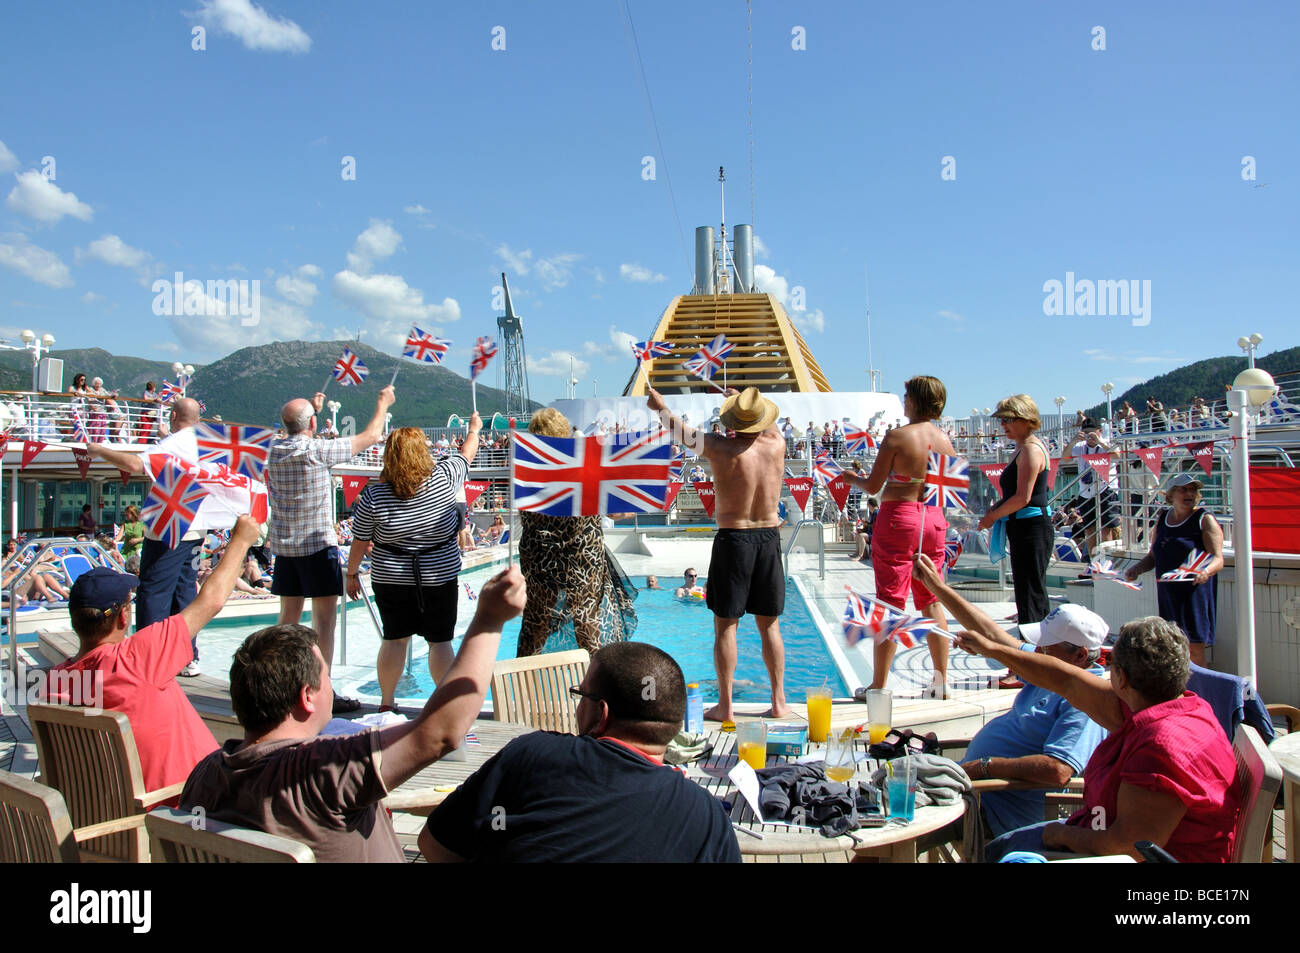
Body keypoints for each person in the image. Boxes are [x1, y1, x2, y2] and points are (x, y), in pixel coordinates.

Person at [179, 566, 525, 863]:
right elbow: (439, 734)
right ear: (307, 697)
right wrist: (489, 620)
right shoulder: (321, 770)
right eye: (326, 676)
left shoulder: (204, 776)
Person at [916, 556, 1238, 862]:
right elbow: (1065, 680)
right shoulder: (1167, 706)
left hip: (1091, 846)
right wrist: (991, 647)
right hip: (1085, 826)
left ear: (1121, 678)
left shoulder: (1161, 748)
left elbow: (1129, 846)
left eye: (1112, 665)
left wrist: (1060, 834)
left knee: (982, 845)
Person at [419, 642, 741, 863]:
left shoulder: (531, 755)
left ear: (601, 714)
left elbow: (434, 844)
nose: (577, 704)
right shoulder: (707, 818)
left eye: (581, 694)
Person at [45, 516, 261, 795]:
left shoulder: (53, 685)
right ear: (124, 616)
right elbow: (211, 600)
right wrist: (241, 540)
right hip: (188, 804)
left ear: (75, 621)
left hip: (117, 811)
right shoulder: (138, 658)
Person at [648, 386, 788, 720]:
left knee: (726, 627)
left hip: (735, 539)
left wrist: (661, 407)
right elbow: (769, 424)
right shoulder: (777, 444)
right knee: (770, 626)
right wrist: (744, 402)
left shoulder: (720, 449)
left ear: (734, 422)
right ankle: (779, 702)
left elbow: (681, 433)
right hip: (768, 538)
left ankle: (725, 706)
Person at [266, 385, 394, 712]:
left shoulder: (274, 448)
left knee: (288, 620)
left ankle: (281, 686)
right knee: (324, 624)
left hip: (285, 550)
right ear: (312, 426)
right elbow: (370, 436)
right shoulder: (317, 451)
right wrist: (382, 403)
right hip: (317, 547)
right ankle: (323, 692)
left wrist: (312, 413)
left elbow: (297, 430)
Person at [345, 420, 481, 712]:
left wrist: (352, 573)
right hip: (438, 577)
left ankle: (386, 703)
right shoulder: (444, 478)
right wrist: (474, 430)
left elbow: (359, 540)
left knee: (394, 640)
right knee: (440, 641)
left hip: (391, 578)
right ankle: (444, 708)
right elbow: (467, 453)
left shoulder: (373, 496)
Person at [840, 375, 956, 699]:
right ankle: (940, 682)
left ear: (916, 400)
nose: (903, 401)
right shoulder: (946, 441)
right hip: (933, 519)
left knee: (889, 603)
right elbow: (947, 491)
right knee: (931, 601)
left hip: (899, 518)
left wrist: (852, 478)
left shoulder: (897, 437)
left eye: (906, 396)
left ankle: (878, 686)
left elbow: (874, 485)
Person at [954, 603, 1108, 838]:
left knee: (896, 816)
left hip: (999, 810)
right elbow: (993, 635)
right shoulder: (1051, 670)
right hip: (977, 791)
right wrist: (933, 583)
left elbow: (1059, 770)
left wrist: (985, 767)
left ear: (1080, 656)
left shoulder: (1085, 702)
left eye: (1045, 650)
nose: (1036, 653)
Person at [88, 397, 210, 675]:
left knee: (153, 591)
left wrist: (100, 450)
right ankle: (188, 656)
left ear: (174, 415)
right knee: (185, 592)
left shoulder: (173, 443)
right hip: (196, 527)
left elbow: (134, 464)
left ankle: (148, 659)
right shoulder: (204, 441)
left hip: (170, 527)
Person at [517, 408, 636, 657]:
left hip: (540, 558)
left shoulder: (527, 469)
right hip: (580, 557)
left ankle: (522, 685)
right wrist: (629, 511)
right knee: (587, 624)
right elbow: (613, 512)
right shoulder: (583, 467)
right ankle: (593, 686)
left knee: (535, 624)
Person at [1124, 473, 1223, 666]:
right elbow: (1153, 556)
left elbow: (1218, 559)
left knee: (1194, 650)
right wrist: (1136, 569)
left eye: (1193, 489)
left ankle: (1199, 692)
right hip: (1168, 595)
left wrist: (1205, 572)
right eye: (1183, 489)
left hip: (1194, 594)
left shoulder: (1204, 519)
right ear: (1170, 495)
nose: (1189, 493)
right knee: (1173, 647)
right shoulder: (1162, 518)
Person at [980, 396, 1053, 625]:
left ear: (1025, 419)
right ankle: (1033, 647)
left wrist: (992, 516)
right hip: (1024, 526)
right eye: (1001, 420)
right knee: (1027, 590)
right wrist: (996, 508)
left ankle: (1033, 651)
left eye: (1007, 419)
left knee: (1031, 592)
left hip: (1031, 527)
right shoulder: (1023, 448)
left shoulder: (1031, 450)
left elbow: (1023, 497)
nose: (1003, 425)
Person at [1061, 418, 1119, 562]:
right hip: (1086, 492)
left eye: (1091, 432)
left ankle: (1106, 562)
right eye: (1085, 432)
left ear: (1099, 431)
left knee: (1105, 529)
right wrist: (1073, 441)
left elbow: (1118, 456)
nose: (1088, 436)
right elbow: (1065, 458)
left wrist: (1100, 442)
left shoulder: (1107, 443)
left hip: (1106, 490)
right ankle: (1094, 563)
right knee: (1090, 529)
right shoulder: (1080, 446)